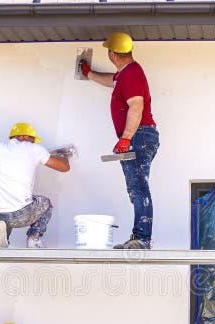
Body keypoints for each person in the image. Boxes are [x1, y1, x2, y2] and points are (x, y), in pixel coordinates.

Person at [79, 32, 160, 250]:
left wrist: (126, 138)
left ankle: (142, 238)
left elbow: (136, 105)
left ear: (112, 54)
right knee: (136, 187)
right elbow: (111, 81)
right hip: (141, 135)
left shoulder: (131, 73)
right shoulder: (125, 74)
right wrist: (89, 74)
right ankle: (139, 236)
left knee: (138, 187)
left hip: (139, 136)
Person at [0, 122, 71, 248]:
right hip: (19, 214)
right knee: (46, 203)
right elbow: (64, 168)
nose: (33, 143)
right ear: (22, 137)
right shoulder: (35, 149)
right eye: (31, 140)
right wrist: (65, 155)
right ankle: (34, 238)